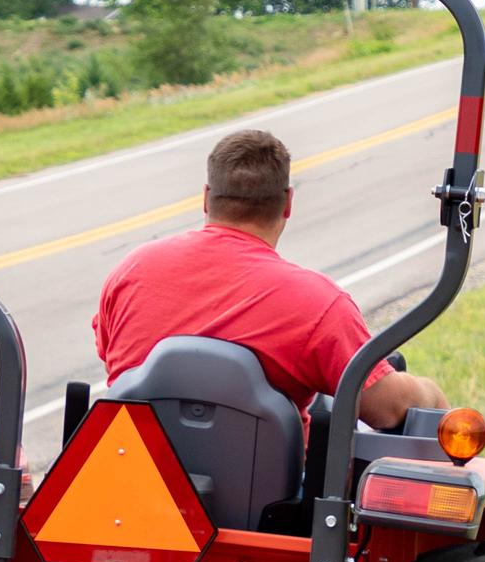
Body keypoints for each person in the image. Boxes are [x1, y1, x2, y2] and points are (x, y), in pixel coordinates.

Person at [91, 128, 447, 430]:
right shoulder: (316, 304)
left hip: (130, 489)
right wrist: (430, 394)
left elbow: (115, 361)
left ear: (205, 198)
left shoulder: (130, 271)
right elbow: (387, 409)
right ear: (287, 203)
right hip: (265, 509)